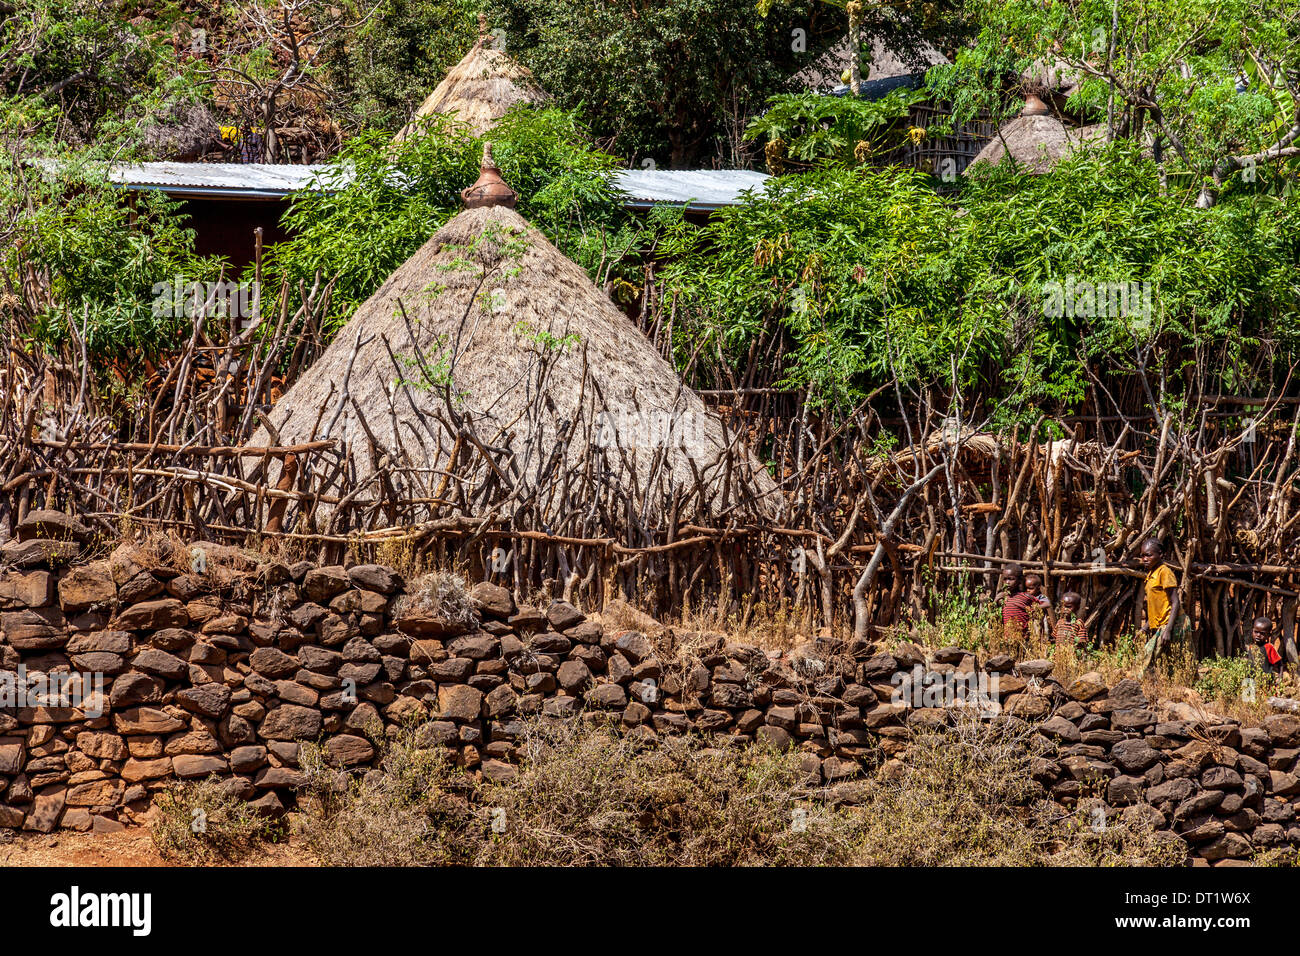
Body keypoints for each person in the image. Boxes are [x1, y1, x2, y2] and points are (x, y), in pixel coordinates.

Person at [1139, 538, 1181, 673]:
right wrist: (1144, 629)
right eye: (1143, 556)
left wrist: (1168, 630)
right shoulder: (1152, 574)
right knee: (1158, 663)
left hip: (1171, 625)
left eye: (1149, 555)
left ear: (1161, 554)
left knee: (1151, 661)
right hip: (1161, 626)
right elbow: (1157, 608)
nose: (1145, 559)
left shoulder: (1164, 572)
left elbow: (1175, 602)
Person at [1003, 571, 1050, 644]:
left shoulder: (1040, 597)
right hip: (1030, 623)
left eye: (1031, 588)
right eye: (1026, 588)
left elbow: (1047, 604)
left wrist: (1036, 607)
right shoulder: (1025, 596)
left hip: (1039, 621)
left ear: (1038, 588)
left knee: (1040, 635)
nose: (1028, 590)